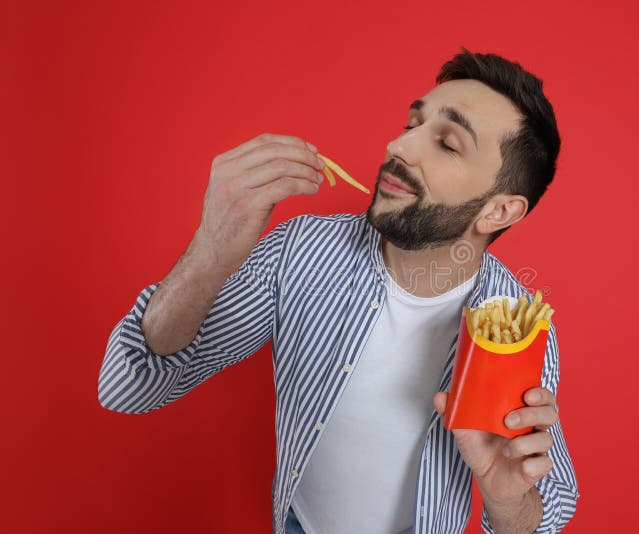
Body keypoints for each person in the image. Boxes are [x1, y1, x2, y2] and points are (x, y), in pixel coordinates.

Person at [98, 48, 579, 534]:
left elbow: (548, 510)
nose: (398, 145)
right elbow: (131, 386)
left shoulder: (519, 328)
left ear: (499, 211)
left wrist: (506, 500)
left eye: (448, 144)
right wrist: (211, 248)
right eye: (412, 124)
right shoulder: (299, 252)